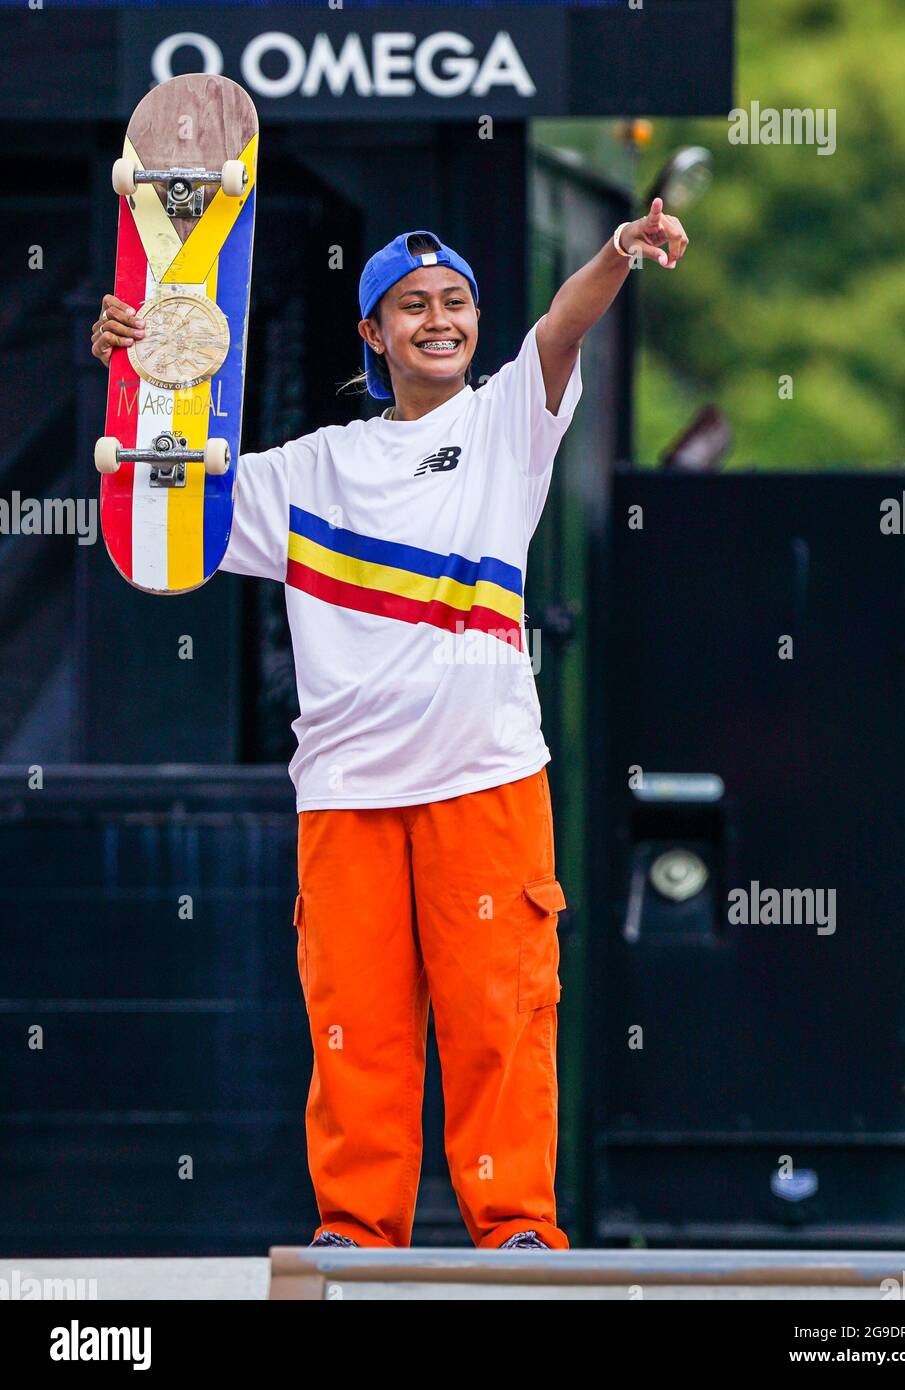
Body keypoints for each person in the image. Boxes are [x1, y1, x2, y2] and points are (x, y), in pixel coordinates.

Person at [92, 202, 688, 1251]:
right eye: (411, 306)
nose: (439, 320)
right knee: (353, 1030)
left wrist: (613, 253)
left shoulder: (507, 421)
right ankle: (356, 1236)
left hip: (486, 780)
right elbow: (162, 509)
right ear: (373, 334)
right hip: (345, 796)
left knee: (498, 1018)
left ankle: (511, 1231)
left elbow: (559, 327)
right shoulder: (307, 468)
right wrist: (133, 367)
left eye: (454, 302)